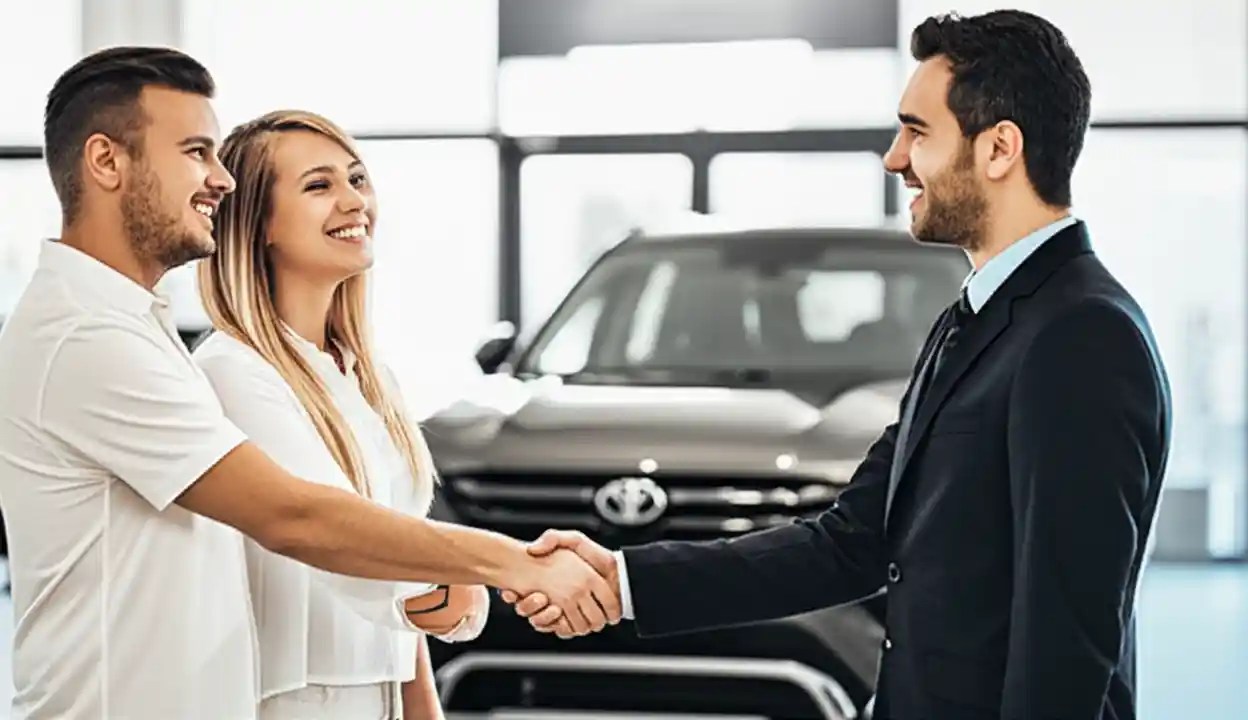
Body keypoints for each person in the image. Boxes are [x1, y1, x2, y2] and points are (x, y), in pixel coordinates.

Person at [504, 11, 1172, 720]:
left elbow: (1067, 640)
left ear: (999, 148)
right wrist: (622, 577)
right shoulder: (972, 323)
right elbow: (850, 544)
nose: (893, 158)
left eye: (917, 132)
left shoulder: (1081, 335)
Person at [0, 46, 617, 720]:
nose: (221, 181)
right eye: (196, 152)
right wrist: (509, 563)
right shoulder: (91, 337)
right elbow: (295, 518)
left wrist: (433, 590)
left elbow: (347, 548)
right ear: (107, 161)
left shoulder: (136, 330)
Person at [191, 109, 487, 719]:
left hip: (374, 698)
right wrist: (458, 574)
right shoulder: (233, 371)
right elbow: (332, 536)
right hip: (288, 700)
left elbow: (402, 594)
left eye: (356, 179)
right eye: (319, 185)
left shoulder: (369, 377)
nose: (354, 201)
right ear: (260, 223)